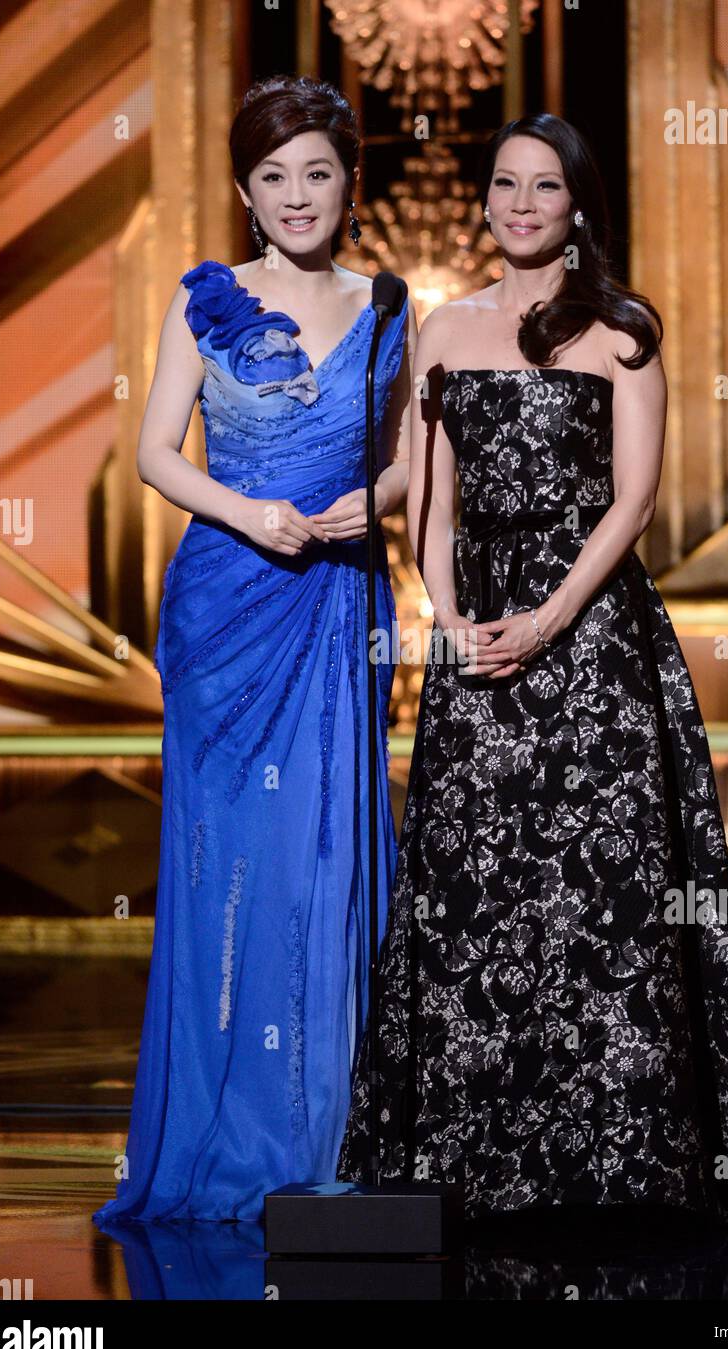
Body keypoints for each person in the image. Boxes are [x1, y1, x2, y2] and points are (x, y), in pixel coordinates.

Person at [336, 113, 728, 1229]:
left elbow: (631, 500)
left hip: (591, 638)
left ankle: (617, 1150)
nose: (519, 204)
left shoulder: (622, 331)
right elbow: (426, 500)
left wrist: (542, 618)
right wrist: (448, 615)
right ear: (484, 201)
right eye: (503, 185)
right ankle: (475, 1147)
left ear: (577, 203)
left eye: (543, 187)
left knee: (598, 901)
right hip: (471, 635)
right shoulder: (442, 333)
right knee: (475, 893)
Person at [93, 74, 414, 1225]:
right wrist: (248, 513)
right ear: (243, 189)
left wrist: (363, 504)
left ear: (348, 182)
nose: (295, 194)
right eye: (272, 176)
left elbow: (408, 461)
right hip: (229, 609)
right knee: (229, 866)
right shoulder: (208, 300)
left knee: (329, 856)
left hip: (337, 601)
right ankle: (224, 1130)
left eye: (316, 172)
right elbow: (151, 454)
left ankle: (326, 1126)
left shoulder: (387, 304)